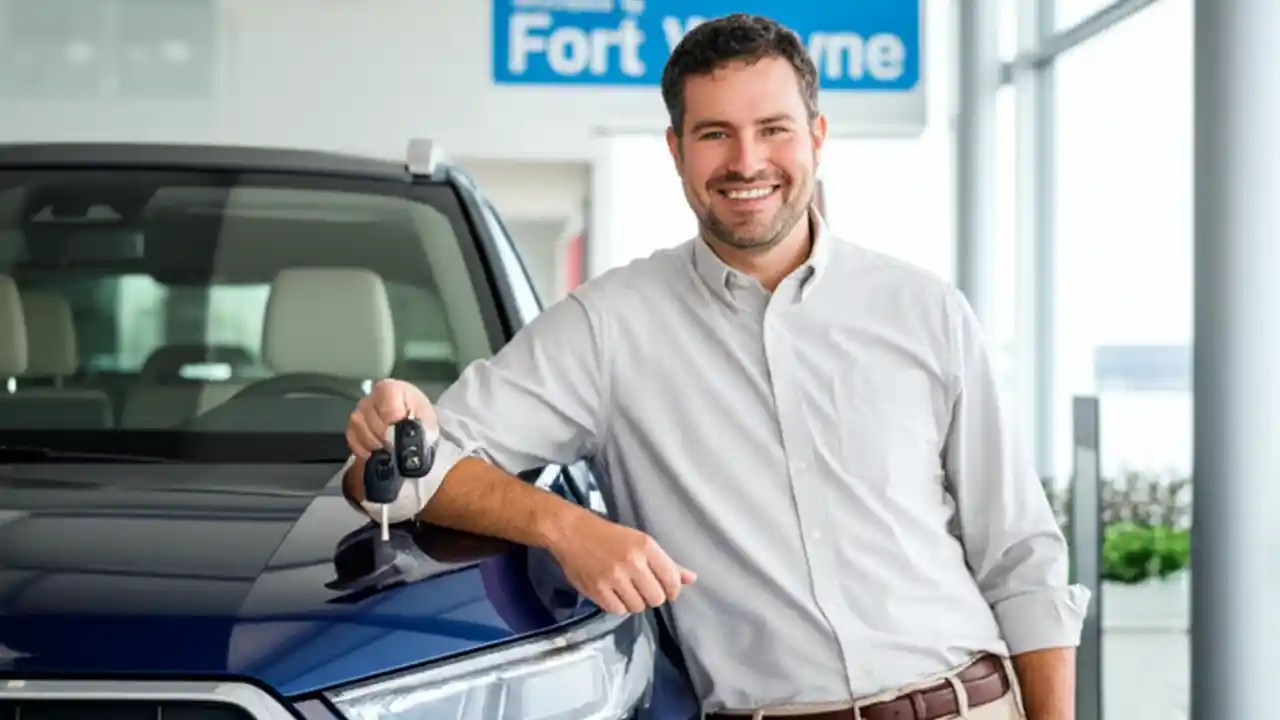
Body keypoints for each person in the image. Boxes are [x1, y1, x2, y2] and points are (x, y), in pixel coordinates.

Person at [343, 12, 1089, 720]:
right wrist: (566, 527)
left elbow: (1020, 556)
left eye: (773, 130)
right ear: (676, 149)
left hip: (968, 701)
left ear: (817, 136)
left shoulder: (925, 310)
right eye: (715, 134)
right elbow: (402, 474)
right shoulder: (608, 328)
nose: (746, 162)